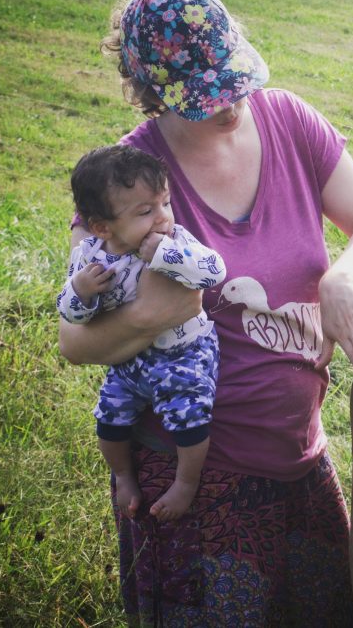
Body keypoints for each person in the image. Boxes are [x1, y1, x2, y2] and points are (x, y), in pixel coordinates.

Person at [58, 0, 353, 625]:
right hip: (190, 478)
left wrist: (342, 278)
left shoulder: (290, 120)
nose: (231, 100)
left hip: (299, 460)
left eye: (234, 76)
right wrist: (151, 315)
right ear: (154, 91)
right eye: (205, 92)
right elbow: (73, 343)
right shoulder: (125, 184)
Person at [57, 145, 225, 523]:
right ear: (102, 226)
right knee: (109, 420)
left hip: (186, 351)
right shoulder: (90, 256)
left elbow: (214, 271)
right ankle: (123, 475)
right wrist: (81, 291)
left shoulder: (175, 240)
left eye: (165, 203)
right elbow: (70, 314)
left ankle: (186, 481)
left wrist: (164, 255)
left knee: (190, 416)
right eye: (146, 211)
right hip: (129, 359)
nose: (162, 217)